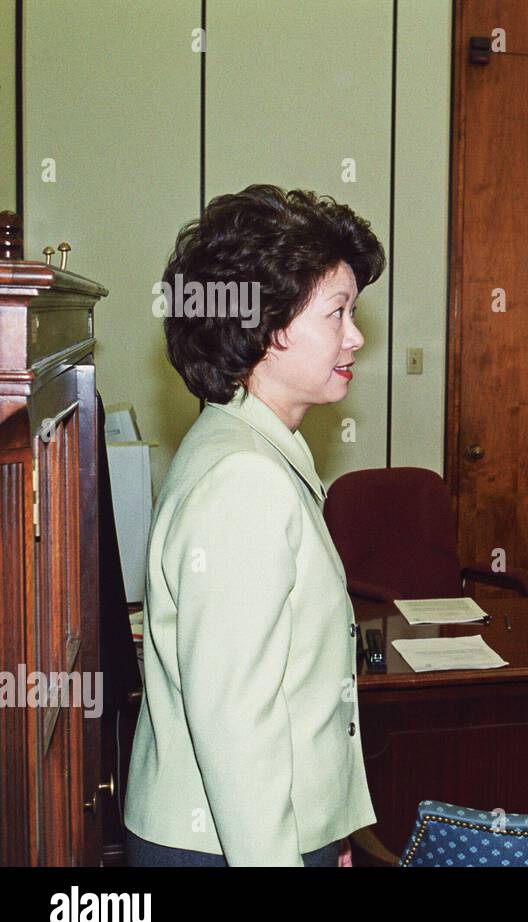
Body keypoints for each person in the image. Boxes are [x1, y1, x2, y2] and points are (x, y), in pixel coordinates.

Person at [124, 185, 385, 866]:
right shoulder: (243, 483)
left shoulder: (239, 445)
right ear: (267, 327)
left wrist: (326, 832)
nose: (355, 336)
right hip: (223, 847)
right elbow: (237, 728)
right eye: (338, 313)